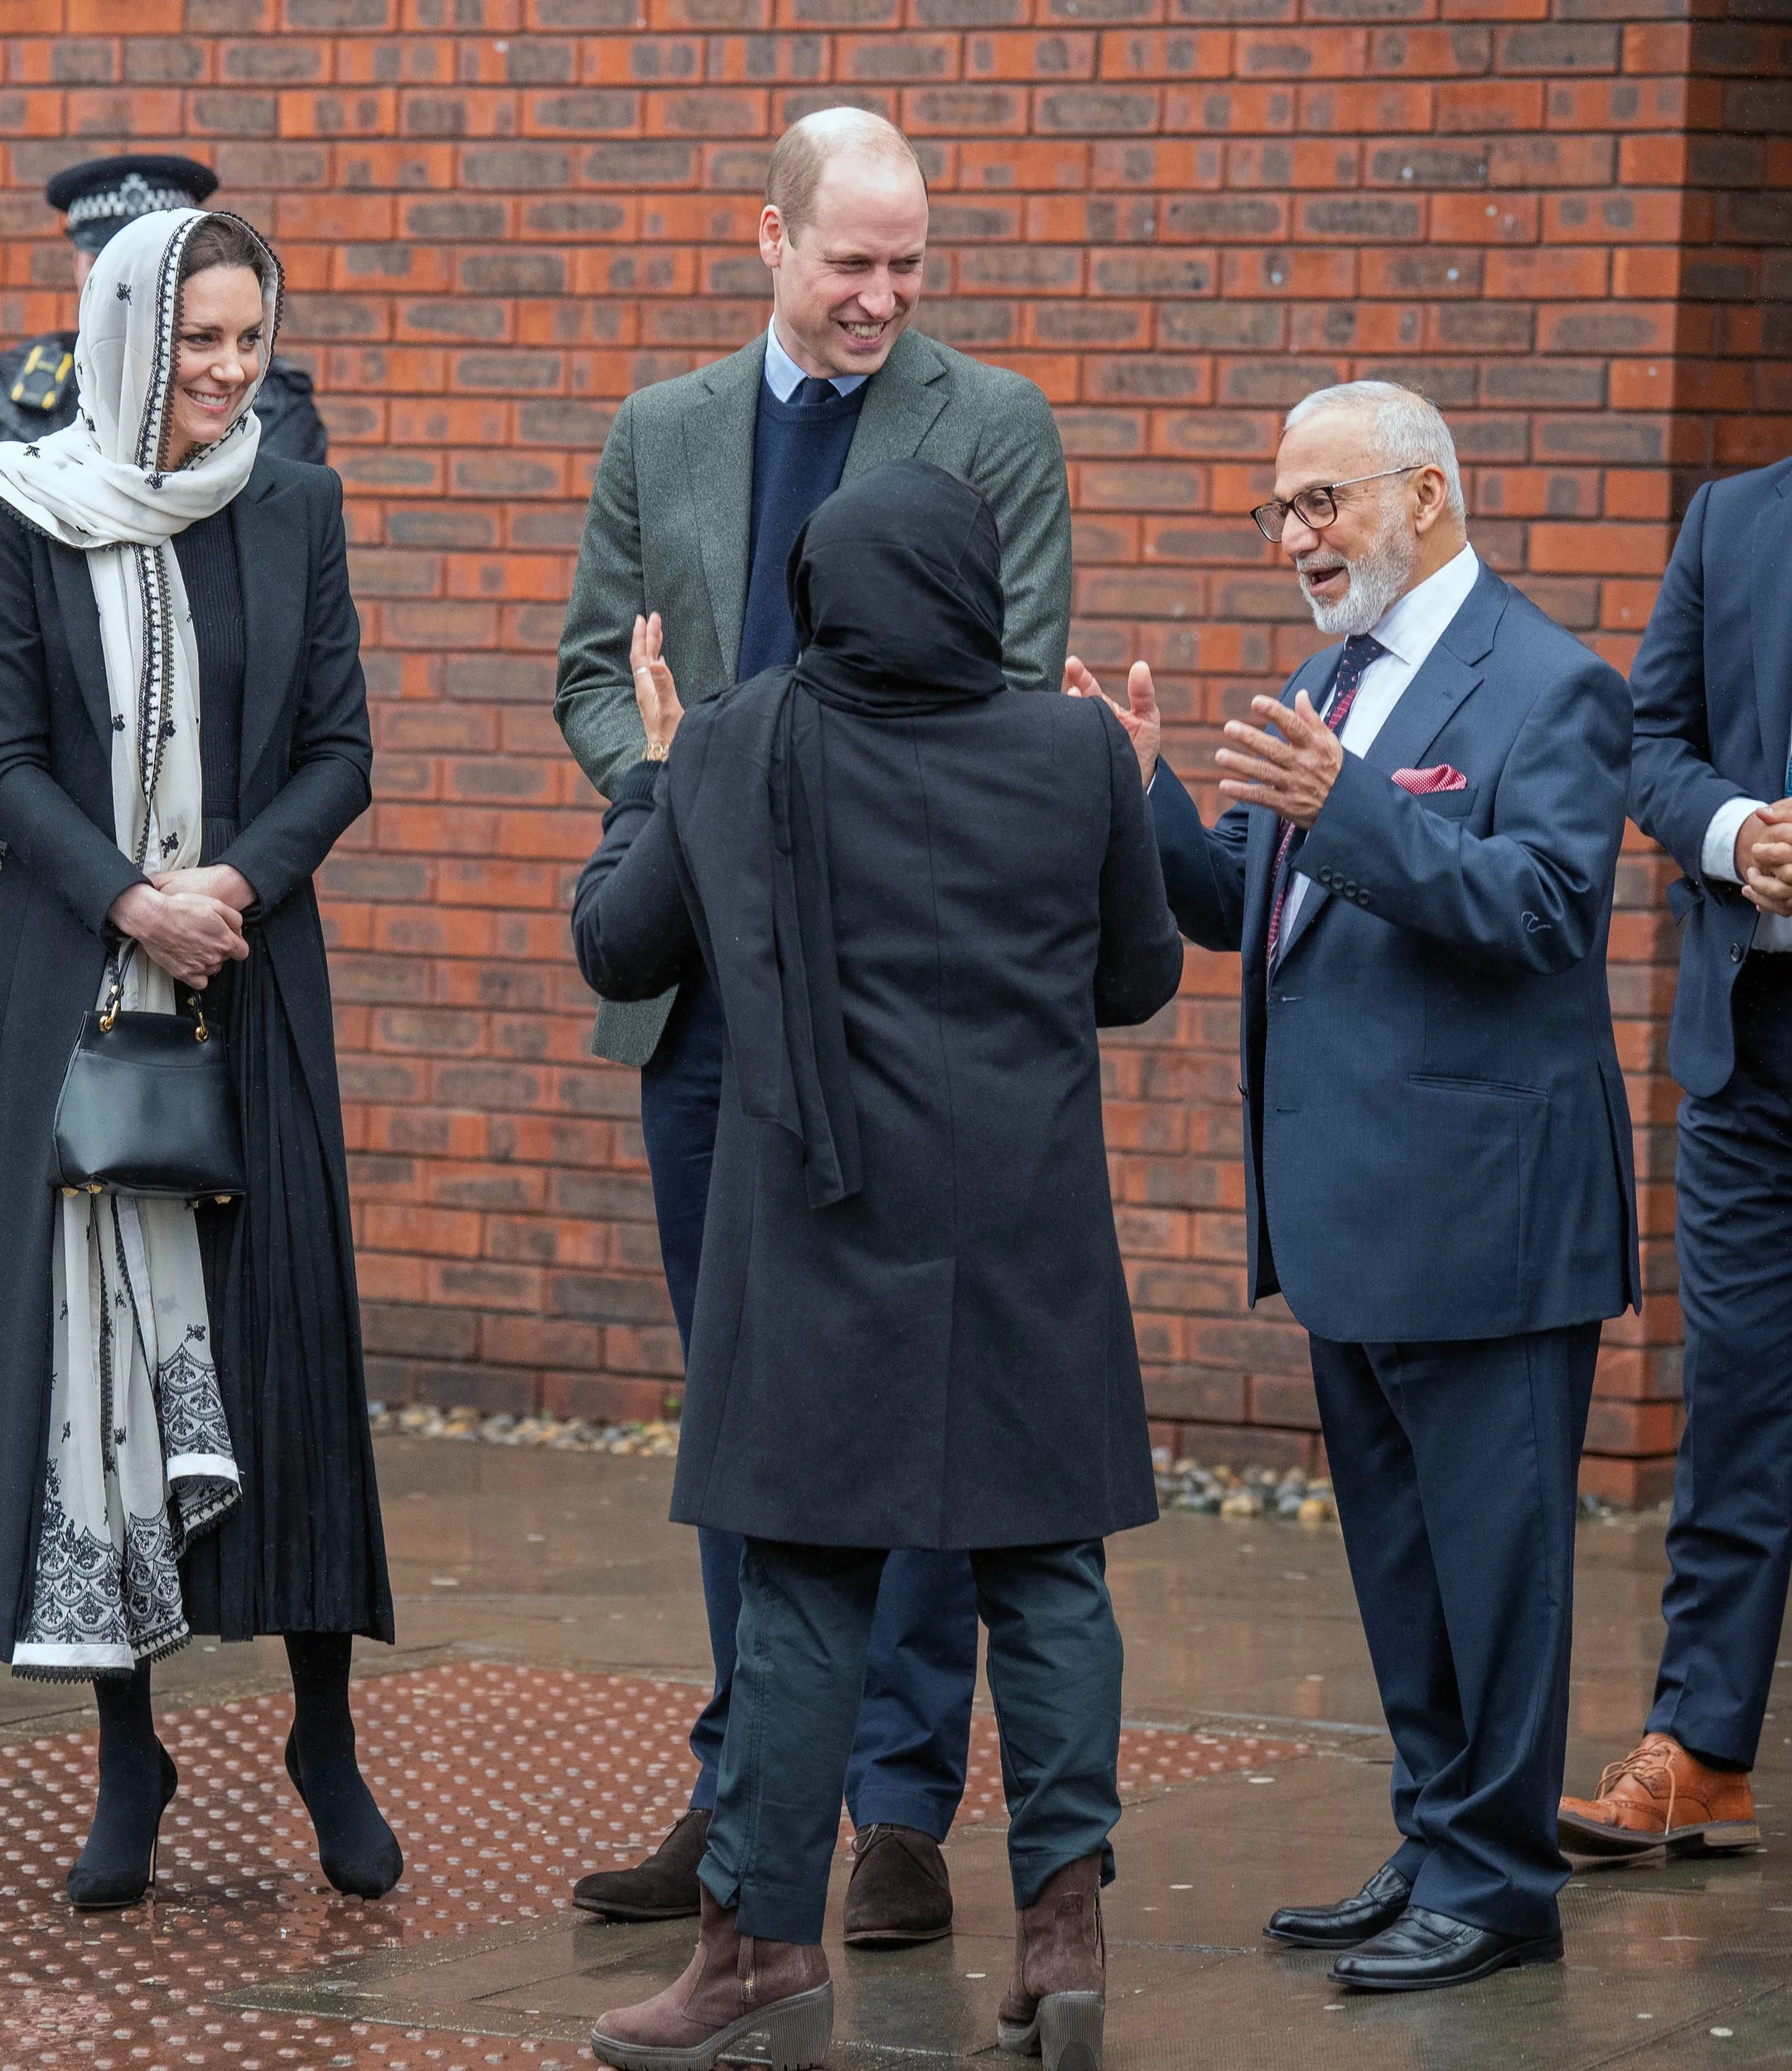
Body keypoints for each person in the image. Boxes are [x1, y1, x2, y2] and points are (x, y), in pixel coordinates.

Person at [571, 458, 1181, 2071]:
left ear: (817, 596)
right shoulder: (1069, 751)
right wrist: (1122, 790)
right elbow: (1132, 978)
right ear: (976, 594)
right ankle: (1060, 1936)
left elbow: (616, 949)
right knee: (1046, 1578)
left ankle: (757, 1949)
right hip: (1023, 1240)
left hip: (817, 1247)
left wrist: (646, 774)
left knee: (801, 1592)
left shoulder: (732, 742)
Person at [553, 105, 1075, 1943]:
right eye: (848, 259)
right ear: (761, 238)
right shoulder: (663, 431)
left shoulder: (990, 427)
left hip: (912, 1000)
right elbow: (585, 671)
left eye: (906, 261)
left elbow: (1008, 698)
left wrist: (746, 799)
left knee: (919, 1412)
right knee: (748, 1415)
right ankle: (748, 1787)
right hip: (712, 994)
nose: (880, 295)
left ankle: (898, 1807)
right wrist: (684, 792)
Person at [1087, 380, 1637, 1993]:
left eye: (1320, 503)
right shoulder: (1319, 683)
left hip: (1487, 1227)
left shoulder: (1548, 686)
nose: (1293, 538)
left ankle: (1502, 1875)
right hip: (1343, 1222)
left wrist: (1338, 814)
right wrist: (1147, 796)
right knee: (1402, 1572)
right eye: (1276, 511)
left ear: (1424, 495)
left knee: (1493, 1572)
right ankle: (1437, 1837)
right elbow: (1244, 912)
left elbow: (1540, 908)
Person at [0, 207, 397, 1909]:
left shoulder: (297, 499)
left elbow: (344, 749)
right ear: (124, 328)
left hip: (251, 980)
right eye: (197, 338)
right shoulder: (13, 510)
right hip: (82, 987)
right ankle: (132, 1756)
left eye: (250, 338)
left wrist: (231, 886)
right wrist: (128, 896)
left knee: (289, 1352)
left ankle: (321, 1737)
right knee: (105, 1377)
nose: (225, 370)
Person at [0, 152, 328, 1028]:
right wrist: (12, 651)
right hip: (55, 834)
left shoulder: (255, 402)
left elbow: (273, 610)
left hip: (216, 862)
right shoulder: (13, 396)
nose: (226, 366)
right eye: (96, 257)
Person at [1558, 456, 1792, 1861]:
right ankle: (1702, 1751)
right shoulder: (1732, 518)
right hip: (1748, 1053)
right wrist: (1733, 834)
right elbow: (1651, 743)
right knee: (1738, 1405)